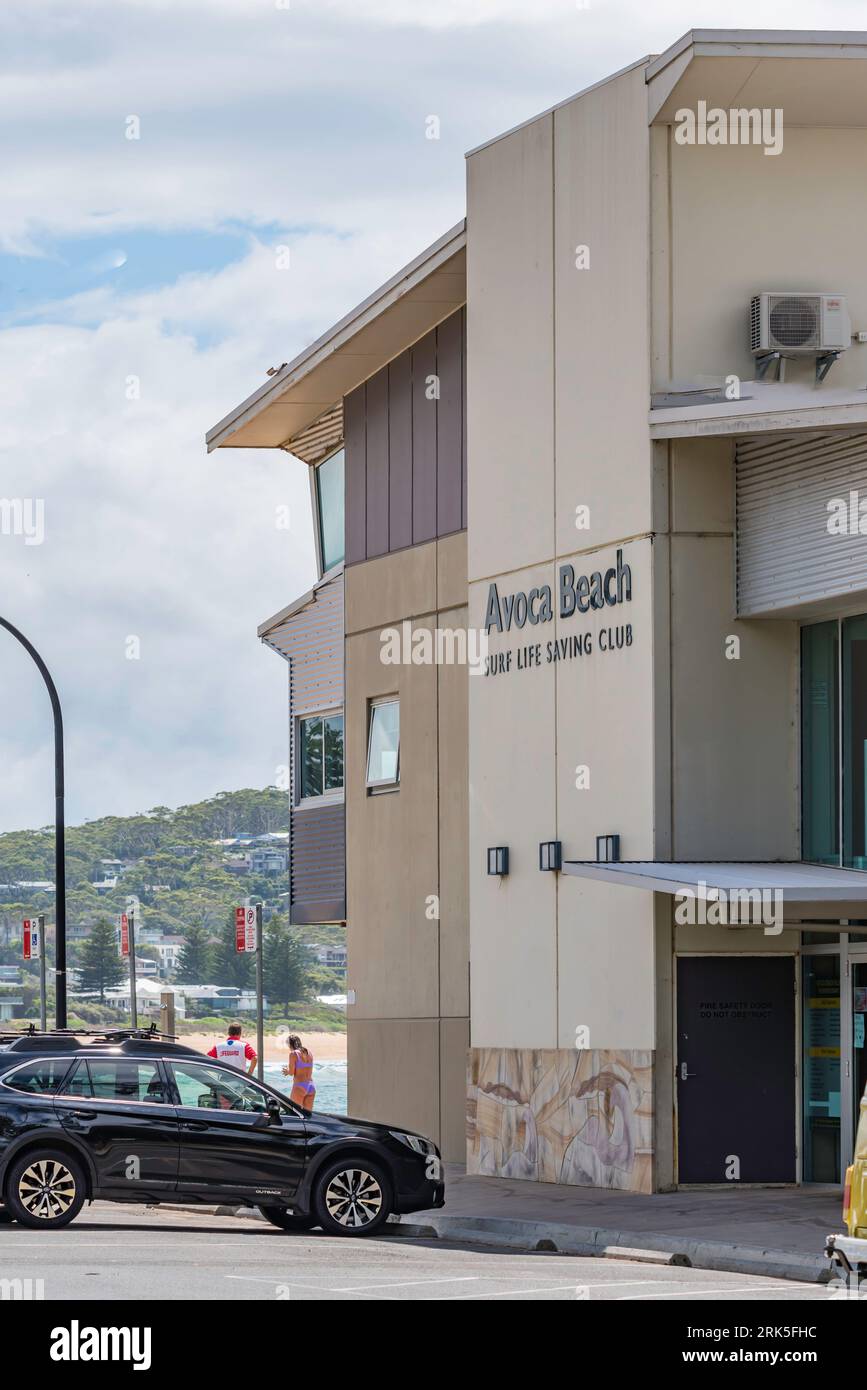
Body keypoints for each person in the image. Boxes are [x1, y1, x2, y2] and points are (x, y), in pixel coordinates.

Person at [282, 1033, 315, 1111]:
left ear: (290, 1044)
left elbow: (291, 1072)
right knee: (308, 1115)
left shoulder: (293, 1054)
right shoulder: (309, 1052)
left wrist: (287, 1071)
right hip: (311, 1086)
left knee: (294, 1112)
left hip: (300, 1086)